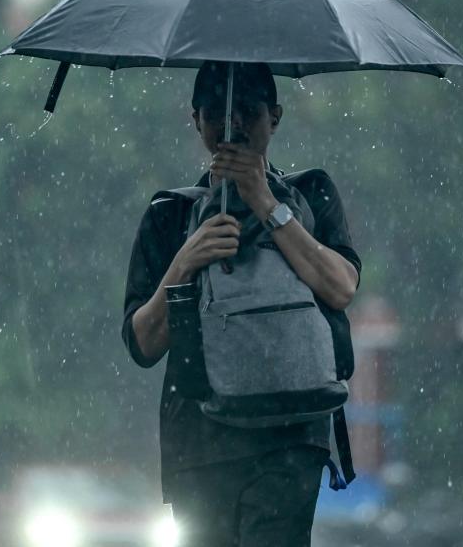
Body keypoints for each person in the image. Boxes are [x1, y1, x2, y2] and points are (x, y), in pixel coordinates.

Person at [122, 61, 361, 547]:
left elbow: (340, 288)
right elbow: (142, 342)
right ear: (195, 120)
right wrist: (185, 262)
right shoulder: (170, 214)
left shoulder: (312, 192)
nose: (230, 129)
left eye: (247, 114)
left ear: (275, 117)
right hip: (201, 442)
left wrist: (267, 205)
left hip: (291, 435)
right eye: (215, 116)